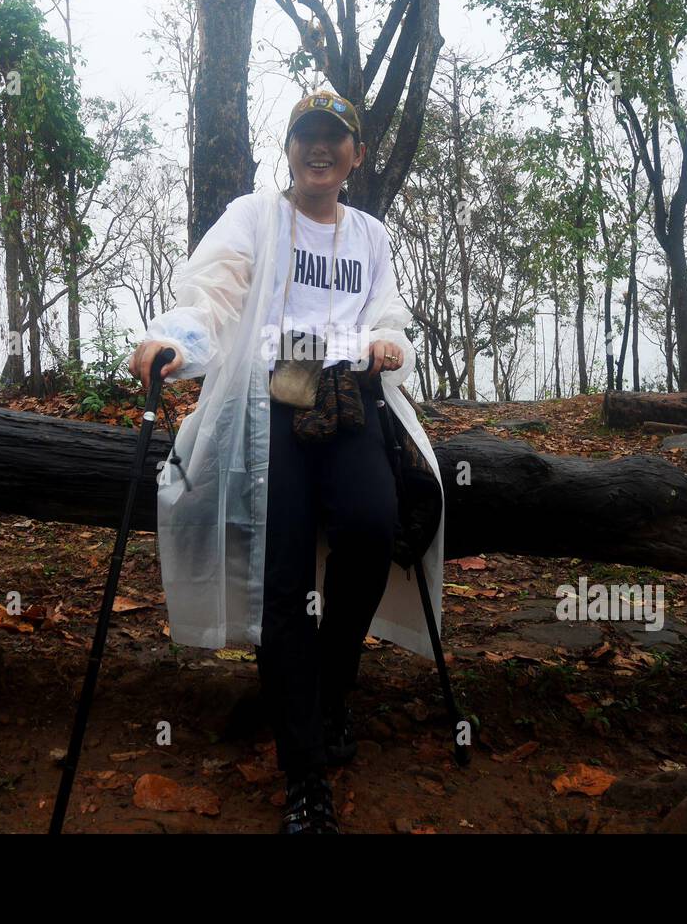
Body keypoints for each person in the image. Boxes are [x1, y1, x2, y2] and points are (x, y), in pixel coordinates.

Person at [128, 90, 444, 835]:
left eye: (334, 139)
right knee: (284, 576)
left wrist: (387, 342)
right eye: (306, 135)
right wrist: (175, 340)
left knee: (372, 530)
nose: (319, 149)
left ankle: (332, 687)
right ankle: (304, 773)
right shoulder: (255, 217)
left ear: (355, 156)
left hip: (346, 398)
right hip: (272, 404)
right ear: (290, 147)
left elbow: (387, 312)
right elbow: (214, 291)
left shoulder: (371, 233)